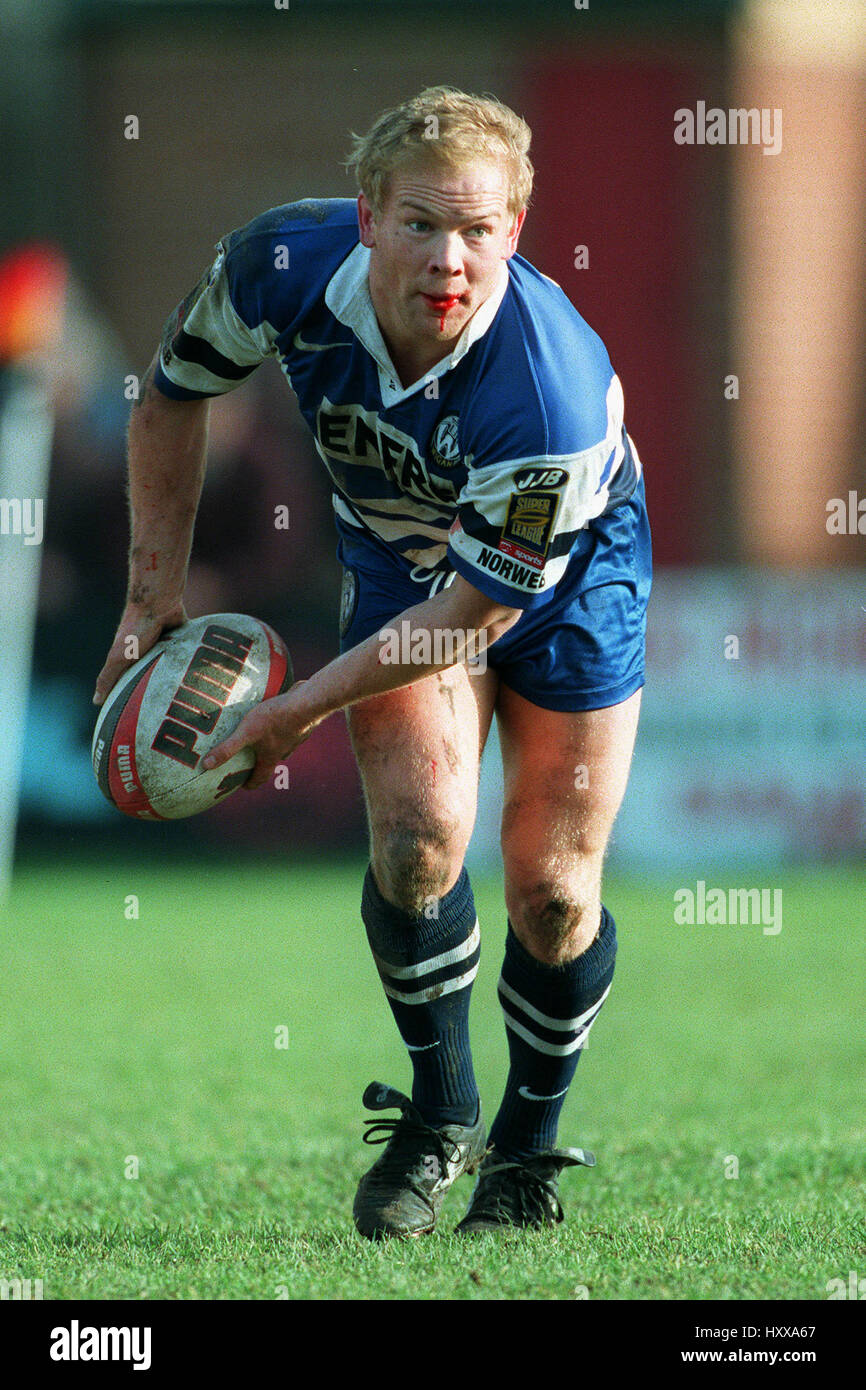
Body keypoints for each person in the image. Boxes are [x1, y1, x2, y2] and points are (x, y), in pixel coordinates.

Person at [94, 86, 651, 1239]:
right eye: (420, 225)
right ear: (364, 218)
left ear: (516, 230)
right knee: (413, 842)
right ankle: (439, 1110)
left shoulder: (546, 391)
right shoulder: (278, 266)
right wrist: (151, 599)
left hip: (562, 579)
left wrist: (291, 713)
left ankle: (526, 1151)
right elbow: (174, 392)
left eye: (481, 229)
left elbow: (473, 616)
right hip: (402, 558)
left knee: (550, 885)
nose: (451, 258)